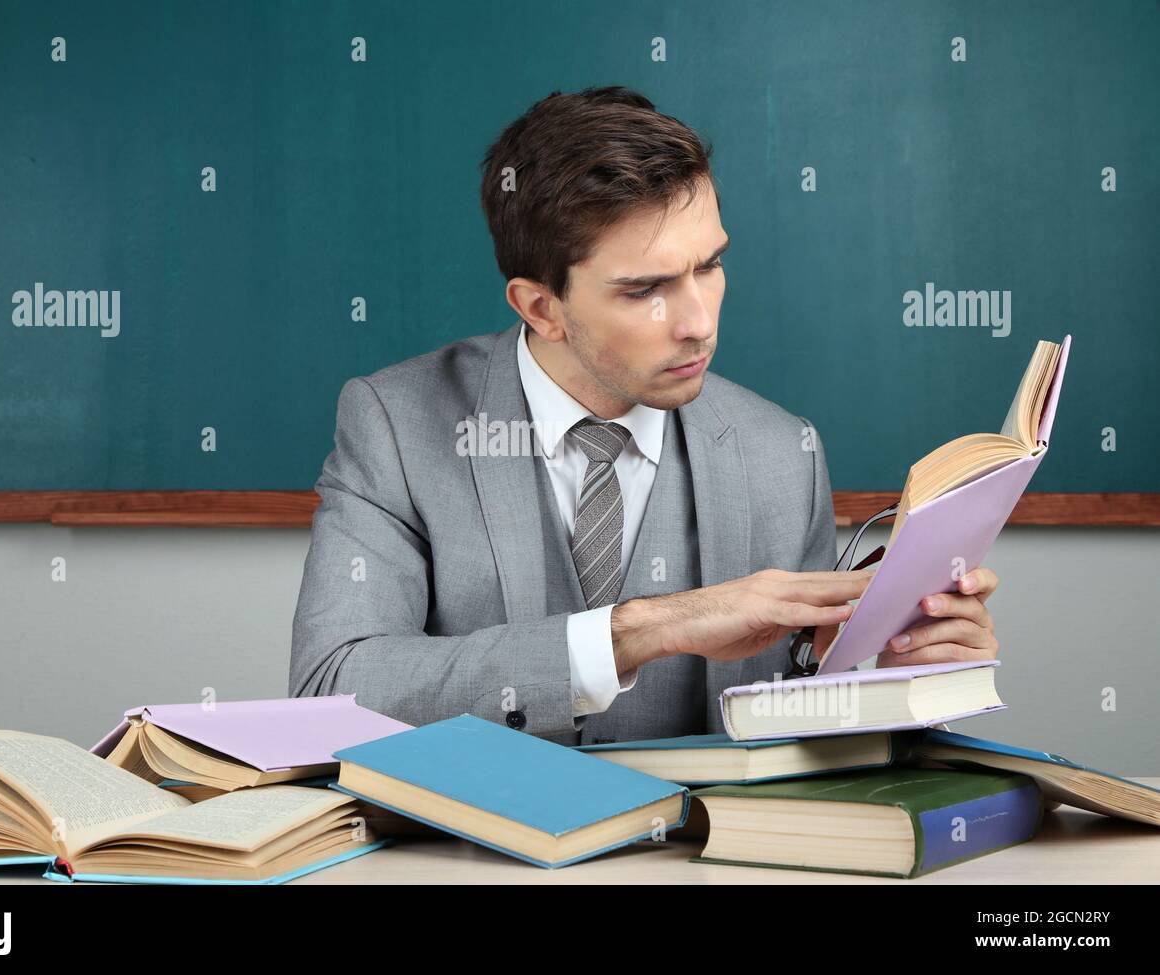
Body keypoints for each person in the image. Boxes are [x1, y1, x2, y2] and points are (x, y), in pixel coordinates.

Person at [288, 86, 999, 744]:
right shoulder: (395, 425)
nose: (697, 321)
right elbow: (331, 692)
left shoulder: (785, 453)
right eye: (645, 289)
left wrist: (912, 675)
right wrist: (638, 629)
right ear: (541, 307)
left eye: (709, 265)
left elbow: (800, 731)